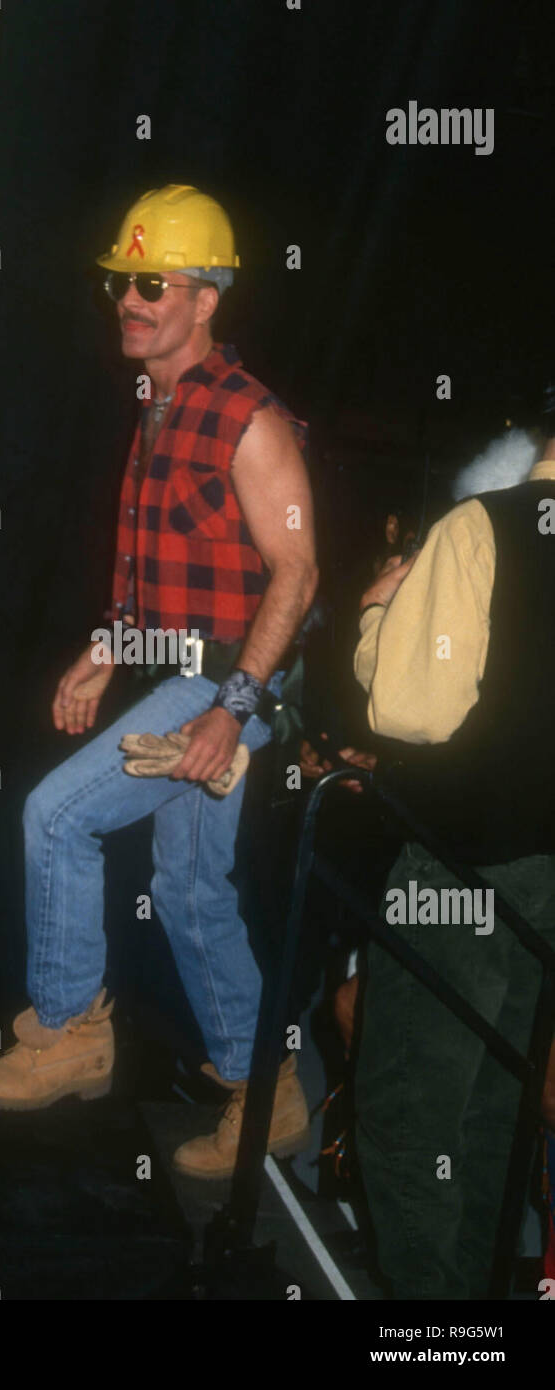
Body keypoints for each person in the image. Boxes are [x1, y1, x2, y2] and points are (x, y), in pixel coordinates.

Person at [0, 185, 319, 1178]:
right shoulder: (159, 407)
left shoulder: (248, 419)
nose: (130, 297)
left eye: (151, 282)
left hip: (226, 690)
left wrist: (227, 712)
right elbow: (169, 579)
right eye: (122, 280)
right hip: (188, 676)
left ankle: (72, 1029)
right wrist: (107, 647)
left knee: (54, 816)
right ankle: (270, 1092)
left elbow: (296, 571)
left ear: (206, 298)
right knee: (193, 889)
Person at [351, 393, 555, 1298]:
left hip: (463, 863)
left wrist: (374, 624)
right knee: (497, 1109)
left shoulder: (483, 525)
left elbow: (413, 710)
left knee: (410, 1110)